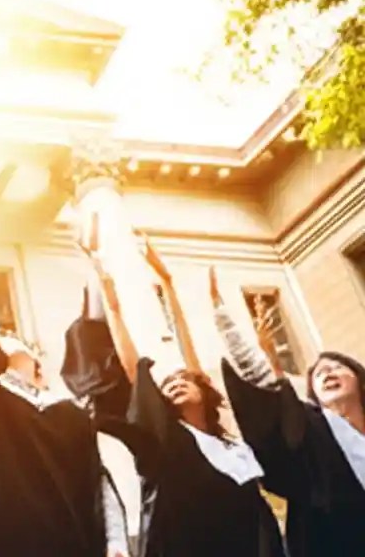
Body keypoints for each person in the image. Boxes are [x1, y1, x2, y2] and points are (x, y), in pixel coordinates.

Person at [66, 220, 284, 557]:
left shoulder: (231, 447)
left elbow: (187, 347)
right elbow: (132, 364)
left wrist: (166, 280)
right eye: (167, 384)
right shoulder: (167, 439)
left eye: (183, 379)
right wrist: (107, 290)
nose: (176, 382)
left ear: (203, 389)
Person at [0, 206, 128, 557]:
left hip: (76, 541)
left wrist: (116, 542)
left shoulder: (70, 413)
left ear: (37, 360)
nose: (2, 340)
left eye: (12, 339)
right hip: (15, 541)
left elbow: (97, 478)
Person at [210, 264, 365, 556]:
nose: (328, 373)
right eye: (319, 374)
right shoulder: (313, 427)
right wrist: (225, 321)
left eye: (337, 367)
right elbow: (264, 386)